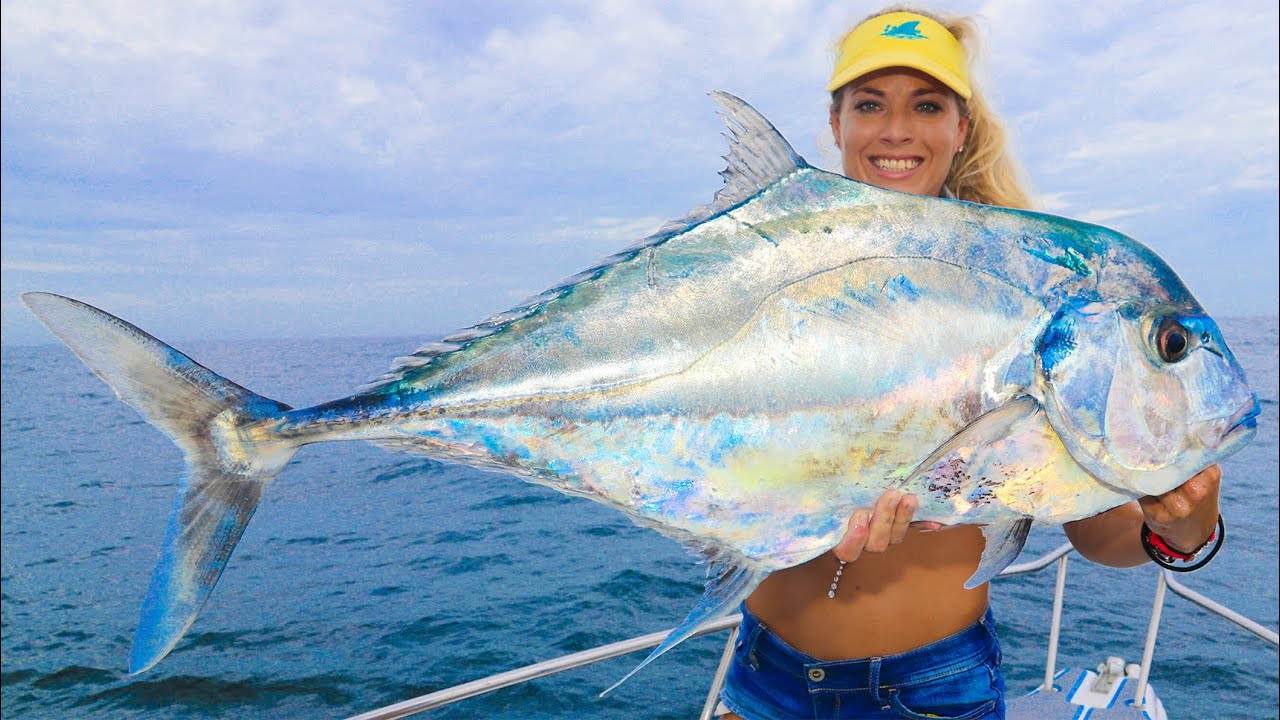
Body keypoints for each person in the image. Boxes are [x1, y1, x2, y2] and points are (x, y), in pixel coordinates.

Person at [717, 7, 1225, 719]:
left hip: (935, 690)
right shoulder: (757, 277)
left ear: (961, 128)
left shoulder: (1029, 293)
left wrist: (1182, 525)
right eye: (870, 104)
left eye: (926, 106)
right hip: (764, 678)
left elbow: (1098, 532)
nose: (897, 130)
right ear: (836, 123)